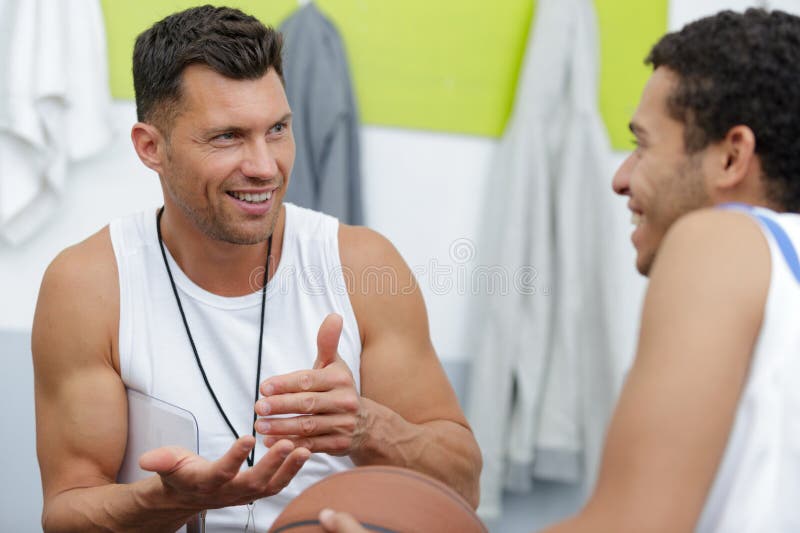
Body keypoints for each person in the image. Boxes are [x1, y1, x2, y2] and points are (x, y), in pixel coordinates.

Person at [320, 8, 800, 533]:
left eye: (642, 145)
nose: (620, 178)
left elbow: (629, 527)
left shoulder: (719, 239)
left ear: (731, 158)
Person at [31, 5, 481, 532]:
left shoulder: (361, 265)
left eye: (278, 129)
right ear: (151, 148)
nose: (265, 167)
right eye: (227, 136)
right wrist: (169, 501)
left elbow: (464, 488)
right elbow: (65, 513)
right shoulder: (88, 286)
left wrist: (368, 427)